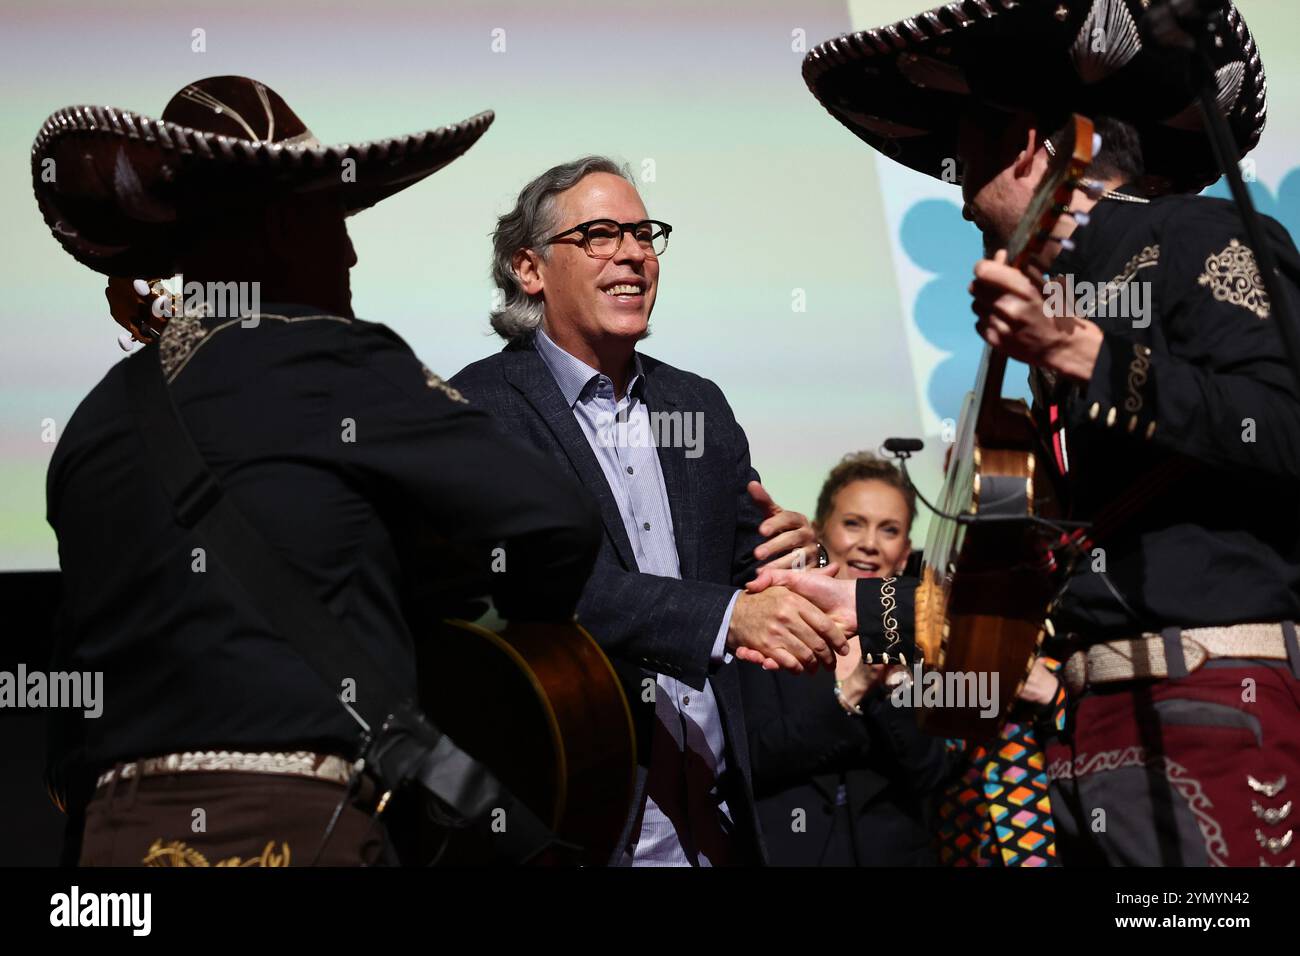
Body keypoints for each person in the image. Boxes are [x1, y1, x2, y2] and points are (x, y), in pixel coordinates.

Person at [776, 0, 1300, 866]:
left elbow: (1284, 426)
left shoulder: (1197, 235)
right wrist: (874, 609)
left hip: (1208, 719)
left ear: (1022, 147)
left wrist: (1084, 351)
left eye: (964, 160)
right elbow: (1018, 608)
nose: (956, 202)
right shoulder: (1047, 343)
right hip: (1089, 744)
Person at [34, 76, 602, 866]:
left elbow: (75, 698)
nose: (351, 249)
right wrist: (460, 631)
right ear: (279, 229)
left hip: (111, 850)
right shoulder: (331, 356)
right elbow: (555, 521)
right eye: (332, 220)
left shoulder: (93, 424)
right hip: (296, 830)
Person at [451, 156, 848, 865]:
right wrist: (730, 617)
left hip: (718, 816)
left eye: (643, 233)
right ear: (529, 268)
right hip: (586, 808)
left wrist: (789, 561)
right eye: (601, 235)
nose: (634, 253)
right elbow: (546, 587)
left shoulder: (697, 405)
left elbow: (742, 570)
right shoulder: (480, 410)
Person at [742, 452, 950, 866]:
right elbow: (753, 756)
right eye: (853, 523)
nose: (869, 544)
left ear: (906, 551)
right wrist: (851, 690)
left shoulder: (927, 639)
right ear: (819, 533)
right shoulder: (775, 621)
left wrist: (892, 681)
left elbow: (931, 772)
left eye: (889, 530)